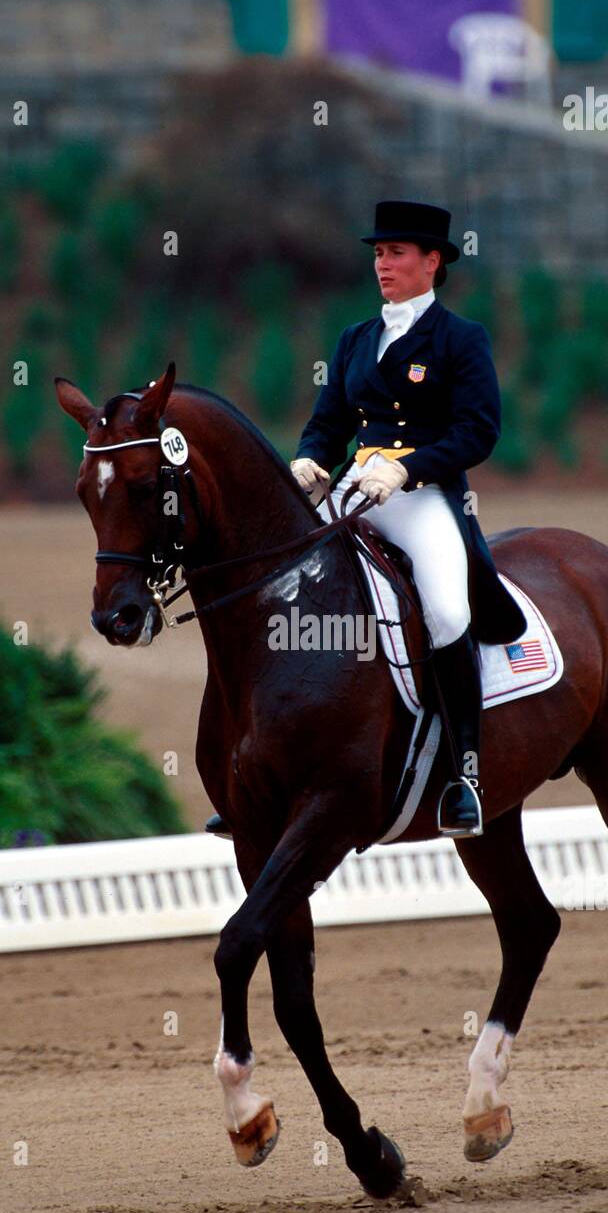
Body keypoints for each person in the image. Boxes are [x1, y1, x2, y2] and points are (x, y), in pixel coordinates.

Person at [205, 199, 524, 841]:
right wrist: (309, 460)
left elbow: (478, 430)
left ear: (431, 262)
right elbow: (329, 422)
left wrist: (409, 470)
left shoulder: (460, 339)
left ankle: (465, 775)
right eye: (378, 253)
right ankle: (257, 761)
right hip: (354, 488)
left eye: (396, 253)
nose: (383, 264)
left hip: (421, 496)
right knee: (279, 590)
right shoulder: (356, 338)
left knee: (446, 611)